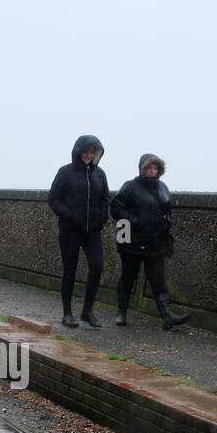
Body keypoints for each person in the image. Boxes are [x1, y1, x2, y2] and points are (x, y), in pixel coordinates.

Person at [109, 153, 189, 331]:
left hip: (156, 241)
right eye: (149, 168)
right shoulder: (130, 187)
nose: (152, 171)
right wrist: (134, 221)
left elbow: (167, 209)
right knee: (128, 277)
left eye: (155, 168)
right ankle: (121, 312)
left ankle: (167, 316)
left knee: (158, 279)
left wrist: (167, 221)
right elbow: (116, 208)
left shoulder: (163, 187)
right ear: (142, 169)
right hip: (132, 240)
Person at [47, 135, 110, 327]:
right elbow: (54, 199)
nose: (89, 155)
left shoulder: (100, 174)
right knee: (70, 271)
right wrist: (69, 215)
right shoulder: (65, 172)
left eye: (93, 152)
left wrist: (103, 215)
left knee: (97, 267)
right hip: (70, 231)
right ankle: (67, 313)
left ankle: (87, 311)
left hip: (92, 231)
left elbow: (105, 197)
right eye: (86, 152)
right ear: (78, 151)